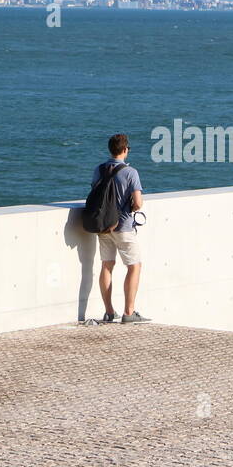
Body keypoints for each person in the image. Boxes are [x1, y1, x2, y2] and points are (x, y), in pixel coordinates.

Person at [92, 133, 150, 324]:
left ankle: (109, 312)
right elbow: (138, 203)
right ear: (125, 150)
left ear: (111, 149)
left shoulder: (99, 169)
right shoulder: (130, 172)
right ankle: (128, 312)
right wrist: (132, 206)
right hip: (123, 226)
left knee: (107, 266)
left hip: (103, 226)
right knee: (134, 266)